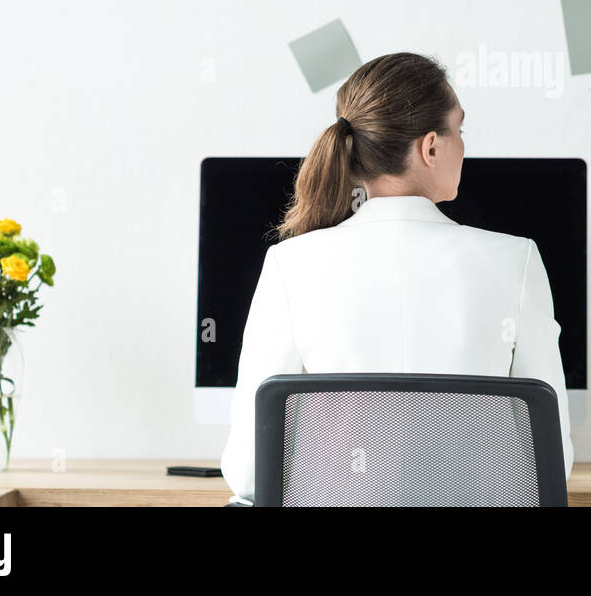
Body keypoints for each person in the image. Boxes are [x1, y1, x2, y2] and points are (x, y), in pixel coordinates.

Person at [220, 51, 572, 503]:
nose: (463, 146)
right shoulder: (516, 261)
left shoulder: (291, 264)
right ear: (430, 147)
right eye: (458, 130)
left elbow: (250, 472)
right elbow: (550, 464)